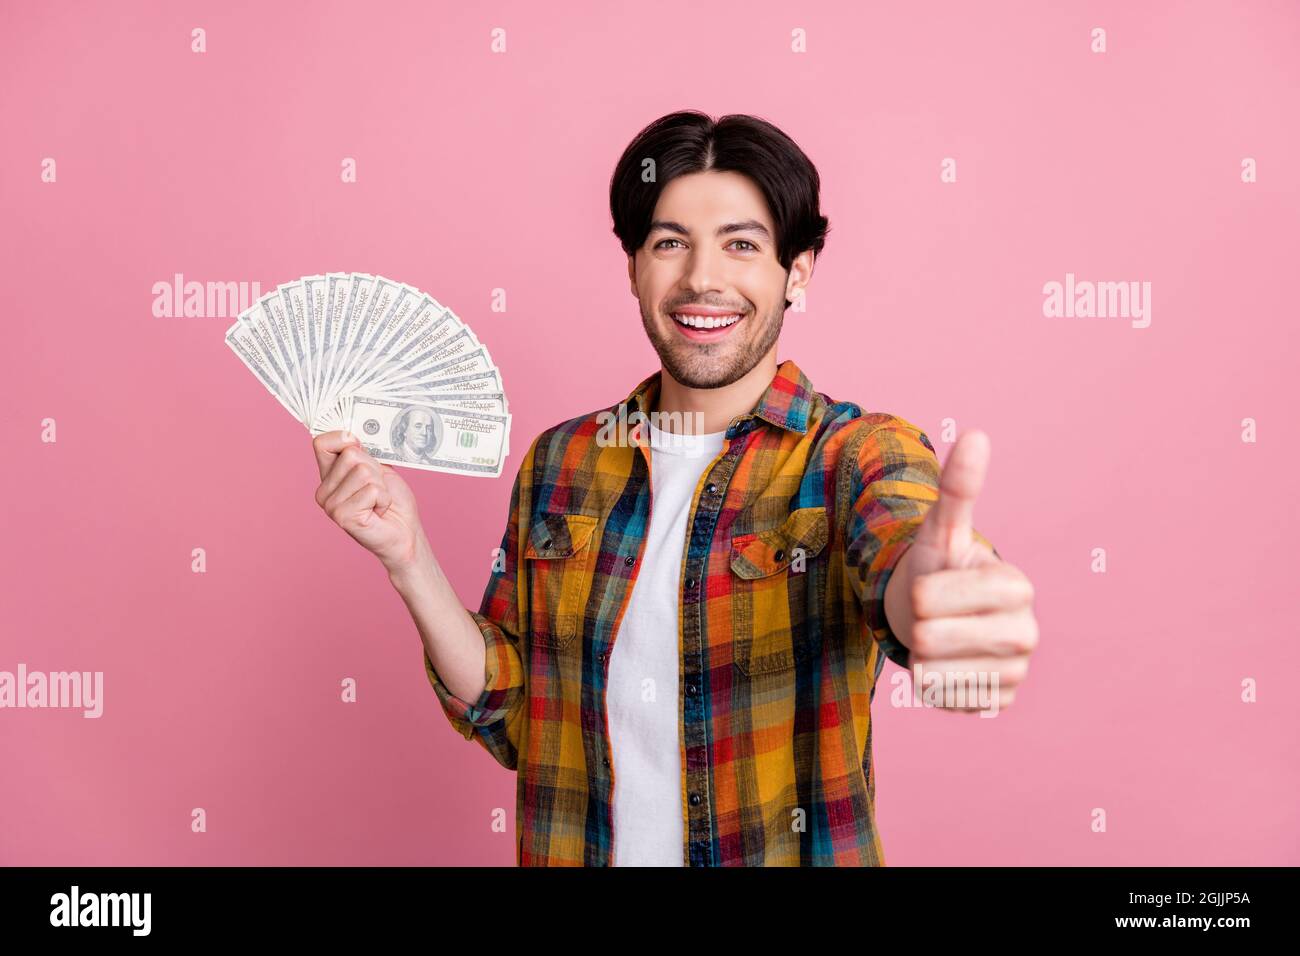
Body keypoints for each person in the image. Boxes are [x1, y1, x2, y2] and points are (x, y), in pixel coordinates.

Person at [309, 110, 1038, 867]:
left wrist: (936, 603)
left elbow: (906, 551)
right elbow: (516, 717)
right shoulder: (562, 462)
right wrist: (406, 555)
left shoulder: (856, 456)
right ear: (632, 267)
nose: (701, 279)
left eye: (742, 245)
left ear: (799, 270)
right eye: (669, 243)